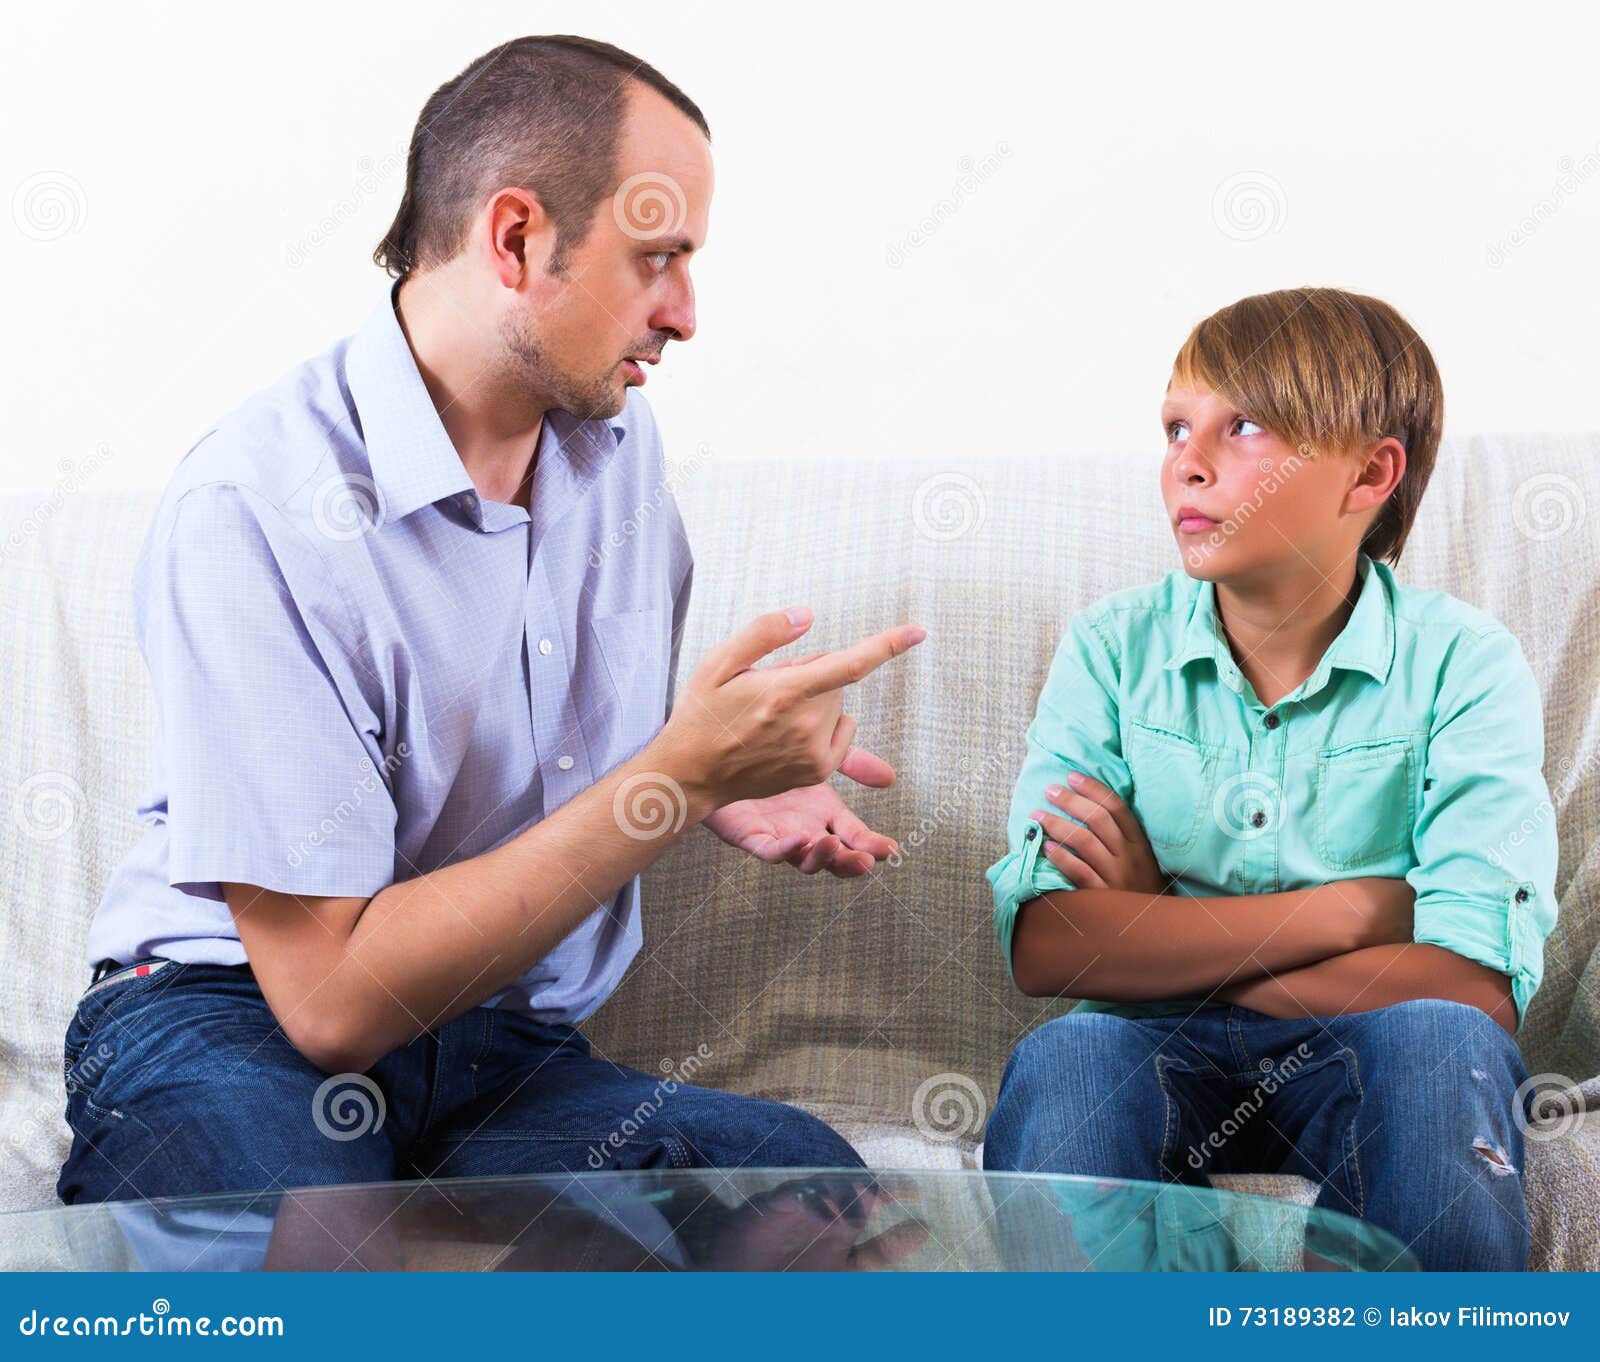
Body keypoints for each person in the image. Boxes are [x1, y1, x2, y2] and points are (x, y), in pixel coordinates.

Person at [58, 35, 924, 1207]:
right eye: (656, 258)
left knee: (802, 1190)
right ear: (515, 238)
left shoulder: (619, 448)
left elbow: (532, 752)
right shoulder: (257, 509)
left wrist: (713, 776)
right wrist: (668, 777)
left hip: (493, 1048)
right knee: (307, 1275)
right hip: (233, 1021)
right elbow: (330, 1005)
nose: (686, 314)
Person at [981, 287, 1558, 1271]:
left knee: (1436, 1046)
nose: (1187, 463)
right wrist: (1353, 913)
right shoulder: (1111, 650)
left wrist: (1159, 926)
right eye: (1174, 428)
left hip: (1376, 1045)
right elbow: (1051, 946)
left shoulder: (1465, 663)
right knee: (1067, 1057)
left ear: (1369, 474)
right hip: (1147, 1051)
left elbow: (1470, 981)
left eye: (1241, 426)